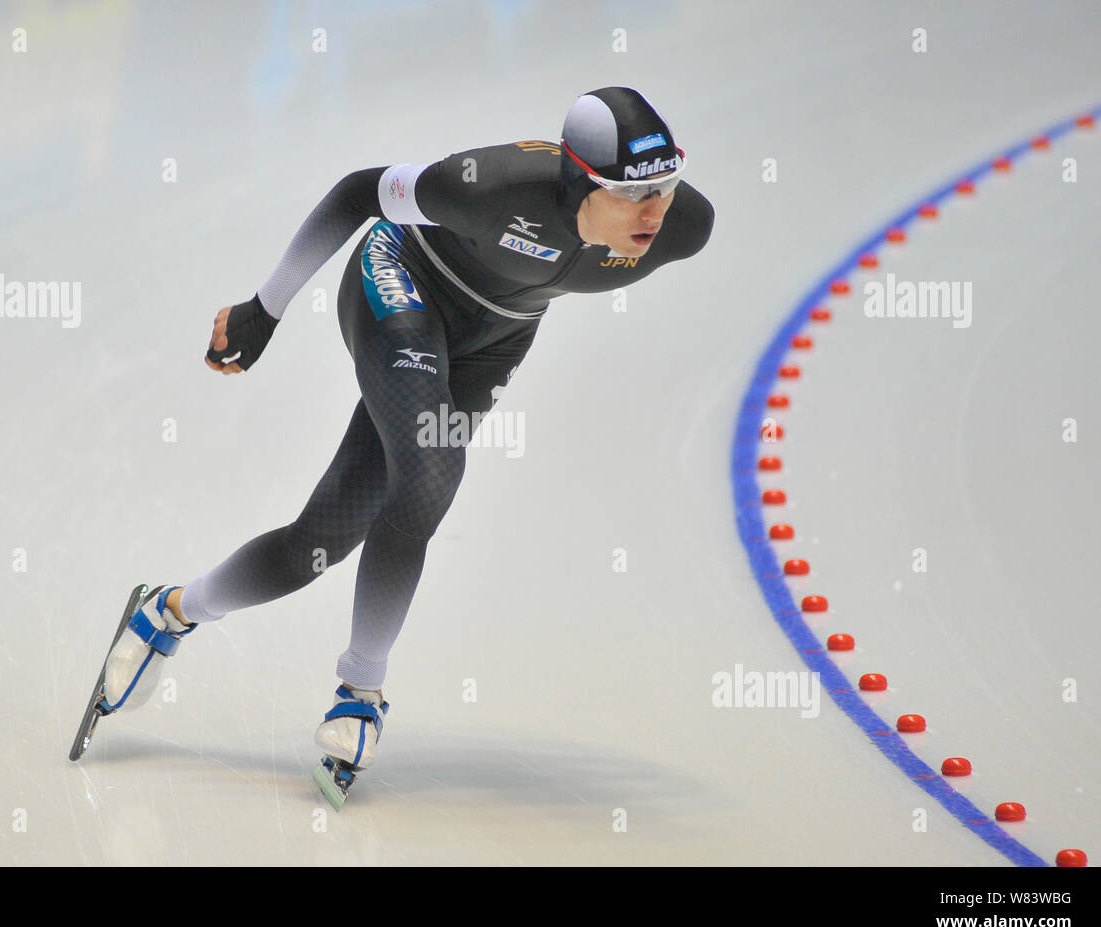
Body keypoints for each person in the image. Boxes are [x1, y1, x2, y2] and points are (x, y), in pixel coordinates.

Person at [98, 86, 714, 786]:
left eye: (665, 185)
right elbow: (361, 191)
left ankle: (167, 614)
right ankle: (361, 694)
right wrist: (263, 309)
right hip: (401, 281)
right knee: (431, 468)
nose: (656, 211)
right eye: (633, 194)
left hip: (492, 341)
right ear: (578, 180)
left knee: (316, 546)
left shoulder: (685, 227)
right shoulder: (489, 188)